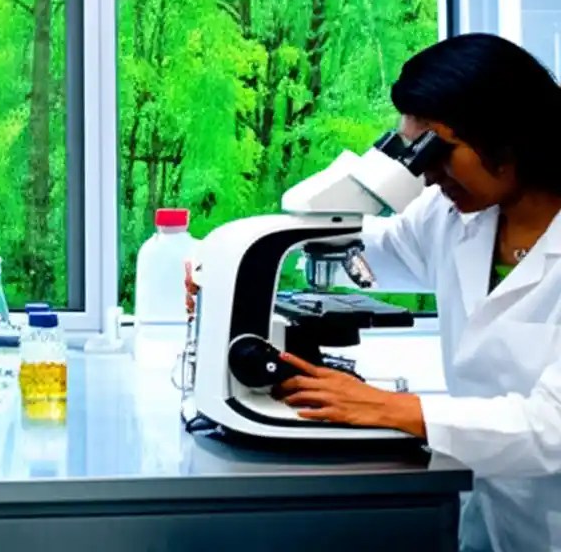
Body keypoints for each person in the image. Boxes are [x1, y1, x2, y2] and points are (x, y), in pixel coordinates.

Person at [186, 33, 561, 551]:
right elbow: (356, 245)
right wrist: (223, 261)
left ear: (504, 132)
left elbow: (550, 426)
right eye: (413, 154)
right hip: (492, 517)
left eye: (437, 151)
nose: (427, 179)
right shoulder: (455, 216)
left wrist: (391, 408)